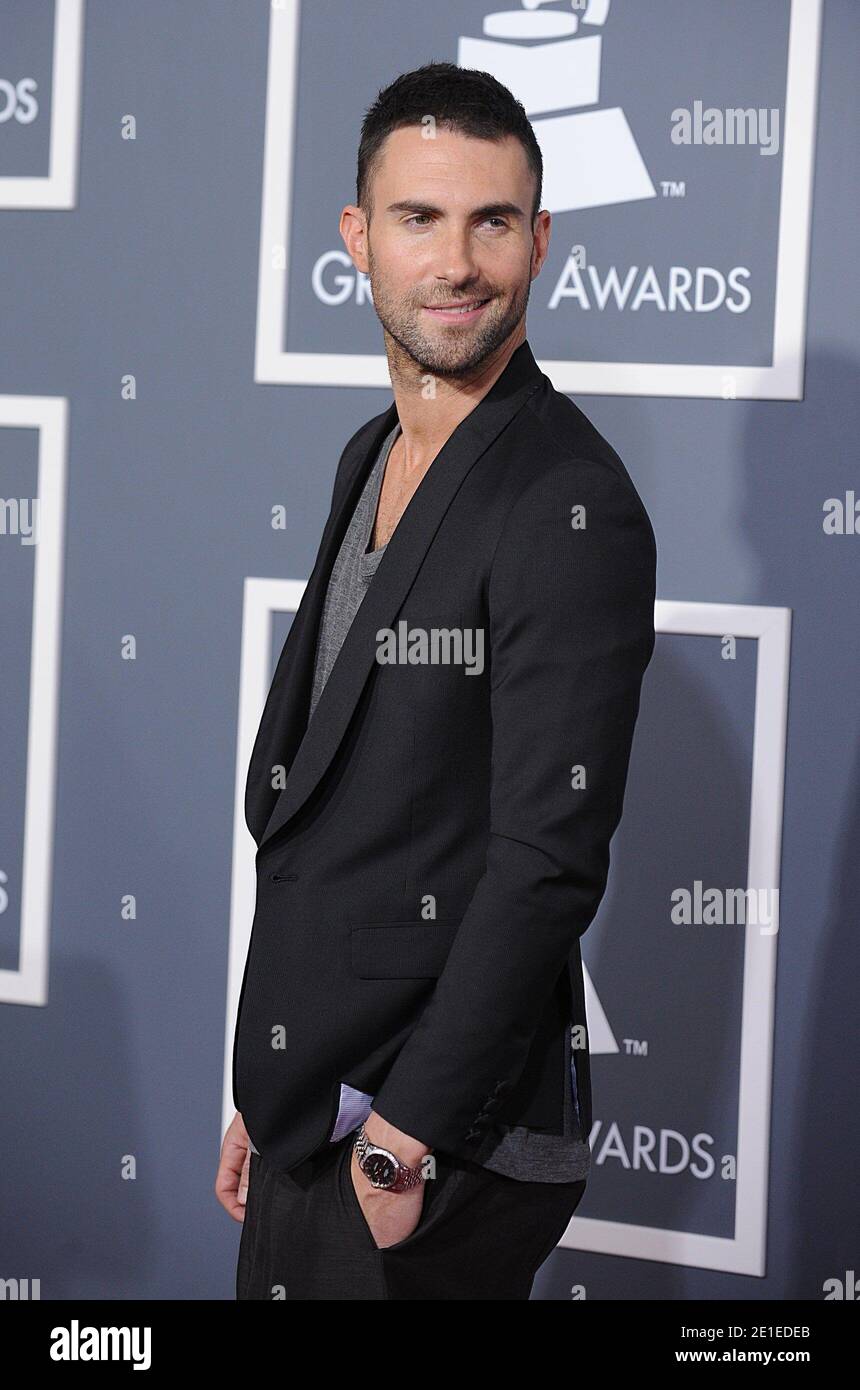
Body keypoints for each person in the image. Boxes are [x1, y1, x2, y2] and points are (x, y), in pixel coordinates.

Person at [216, 61, 657, 1300]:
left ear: (540, 241)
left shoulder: (566, 501)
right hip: (325, 1102)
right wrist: (276, 1084)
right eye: (419, 218)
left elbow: (545, 859)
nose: (457, 262)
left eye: (492, 221)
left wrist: (402, 1140)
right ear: (357, 239)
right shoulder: (372, 452)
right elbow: (342, 818)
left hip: (430, 1146)